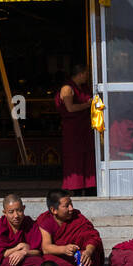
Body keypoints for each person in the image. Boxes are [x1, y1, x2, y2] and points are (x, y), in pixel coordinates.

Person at [35, 190, 105, 266]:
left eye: (71, 204)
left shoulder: (77, 217)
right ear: (54, 210)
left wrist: (88, 252)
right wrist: (64, 249)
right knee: (49, 261)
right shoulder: (46, 221)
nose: (71, 208)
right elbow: (46, 248)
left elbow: (92, 237)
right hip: (60, 255)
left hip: (78, 255)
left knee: (92, 255)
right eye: (66, 206)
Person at [55, 63, 96, 192]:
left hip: (85, 129)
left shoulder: (84, 87)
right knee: (75, 159)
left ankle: (90, 187)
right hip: (73, 130)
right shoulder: (67, 88)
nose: (87, 77)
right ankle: (76, 189)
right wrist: (87, 105)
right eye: (86, 74)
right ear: (80, 73)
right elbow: (70, 108)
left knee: (88, 158)